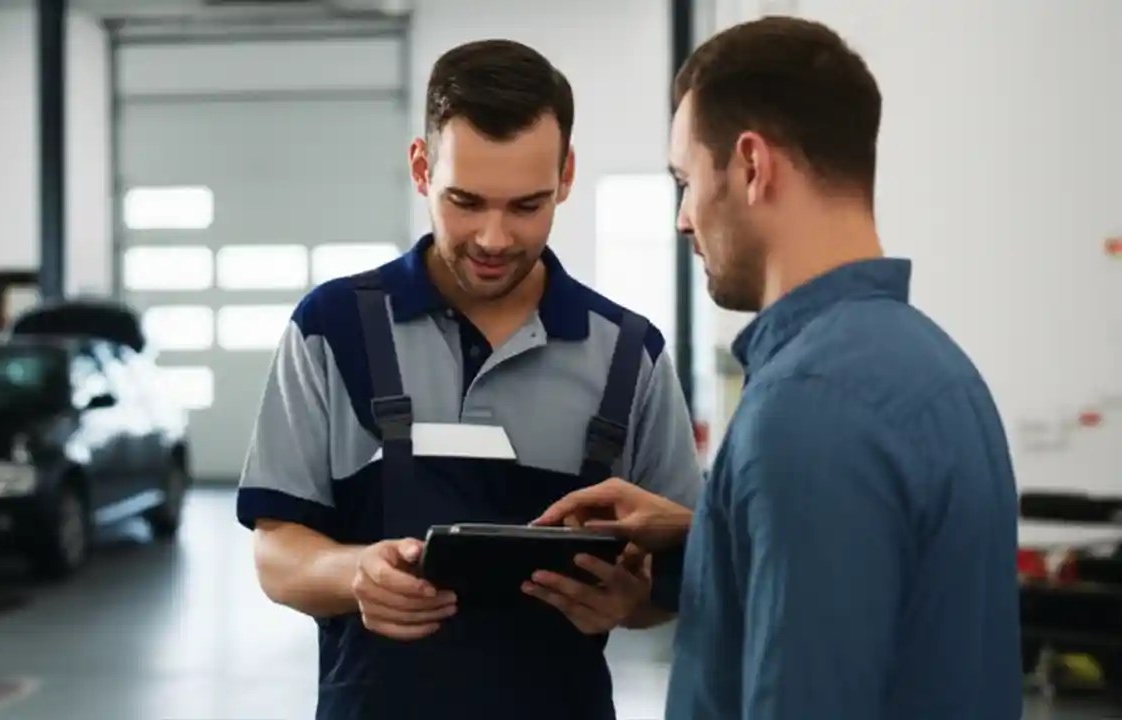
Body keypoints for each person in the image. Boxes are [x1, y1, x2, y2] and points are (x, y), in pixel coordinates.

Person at [534, 16, 1023, 720]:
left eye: (686, 179)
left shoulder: (807, 407)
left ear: (753, 166)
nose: (682, 218)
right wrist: (706, 538)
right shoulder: (939, 372)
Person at [236, 39, 701, 720]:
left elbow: (675, 568)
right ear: (422, 168)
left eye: (526, 206)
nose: (492, 237)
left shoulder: (630, 356)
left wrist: (633, 605)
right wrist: (355, 573)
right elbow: (276, 551)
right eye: (466, 200)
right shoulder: (330, 330)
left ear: (566, 176)